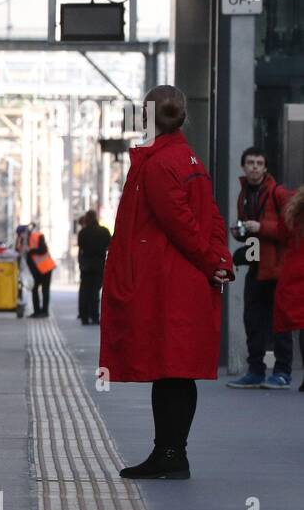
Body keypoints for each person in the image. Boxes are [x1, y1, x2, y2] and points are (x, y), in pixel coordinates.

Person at [100, 85, 233, 480]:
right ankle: (172, 453)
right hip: (188, 280)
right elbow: (210, 218)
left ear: (148, 116)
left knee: (169, 370)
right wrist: (220, 259)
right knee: (179, 370)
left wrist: (212, 261)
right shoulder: (190, 159)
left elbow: (181, 226)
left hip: (171, 282)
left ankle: (170, 454)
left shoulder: (159, 165)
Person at [227, 147, 295, 389]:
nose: (254, 167)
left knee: (280, 323)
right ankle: (255, 370)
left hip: (277, 269)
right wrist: (241, 232)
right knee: (253, 322)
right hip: (257, 267)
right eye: (250, 163)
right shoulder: (244, 194)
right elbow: (249, 237)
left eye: (259, 163)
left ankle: (282, 372)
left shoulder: (278, 193)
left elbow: (290, 230)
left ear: (265, 168)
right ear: (244, 166)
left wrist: (260, 227)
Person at [273, 186, 304, 392]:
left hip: (293, 270)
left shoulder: (293, 211)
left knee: (290, 324)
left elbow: (281, 234)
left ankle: (283, 369)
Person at [77, 210, 111, 325]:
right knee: (95, 291)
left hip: (86, 265)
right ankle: (95, 316)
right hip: (99, 264)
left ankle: (84, 317)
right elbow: (109, 245)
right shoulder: (104, 231)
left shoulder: (83, 232)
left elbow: (81, 247)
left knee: (85, 291)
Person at [25, 221, 55, 318]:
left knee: (44, 290)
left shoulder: (37, 236)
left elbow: (43, 250)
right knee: (35, 289)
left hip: (46, 268)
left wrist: (31, 251)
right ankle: (37, 311)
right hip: (37, 269)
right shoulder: (27, 239)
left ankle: (44, 311)